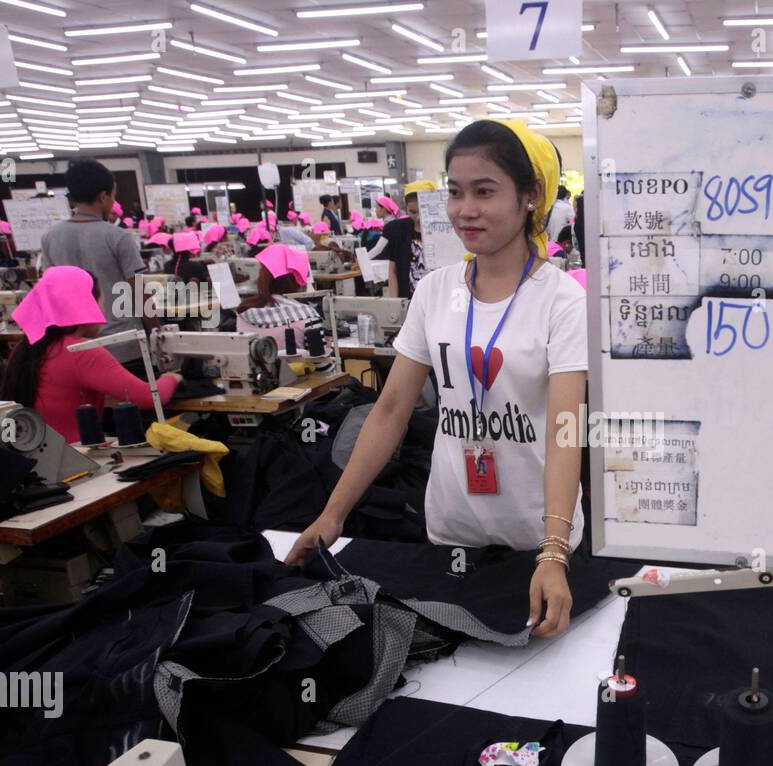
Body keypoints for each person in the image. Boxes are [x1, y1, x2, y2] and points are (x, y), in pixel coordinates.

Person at [286, 119, 587, 638]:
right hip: (451, 527)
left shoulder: (562, 301)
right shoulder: (435, 292)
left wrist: (554, 551)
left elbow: (566, 429)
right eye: (455, 192)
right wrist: (332, 514)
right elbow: (390, 410)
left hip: (536, 538)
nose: (465, 209)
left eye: (485, 191)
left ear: (531, 196)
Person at [0, 266, 181, 443]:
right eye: (101, 300)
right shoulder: (81, 351)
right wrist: (172, 377)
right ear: (85, 304)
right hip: (74, 459)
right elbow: (149, 397)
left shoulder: (24, 348)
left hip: (35, 455)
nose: (103, 308)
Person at [38, 160, 149, 364]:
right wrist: (157, 332)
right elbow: (140, 291)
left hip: (78, 344)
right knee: (134, 394)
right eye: (113, 195)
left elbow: (51, 292)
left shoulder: (50, 238)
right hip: (124, 343)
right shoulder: (118, 237)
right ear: (103, 197)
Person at [235, 243, 324, 348]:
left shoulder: (243, 313)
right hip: (293, 365)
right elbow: (321, 363)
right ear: (294, 281)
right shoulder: (308, 316)